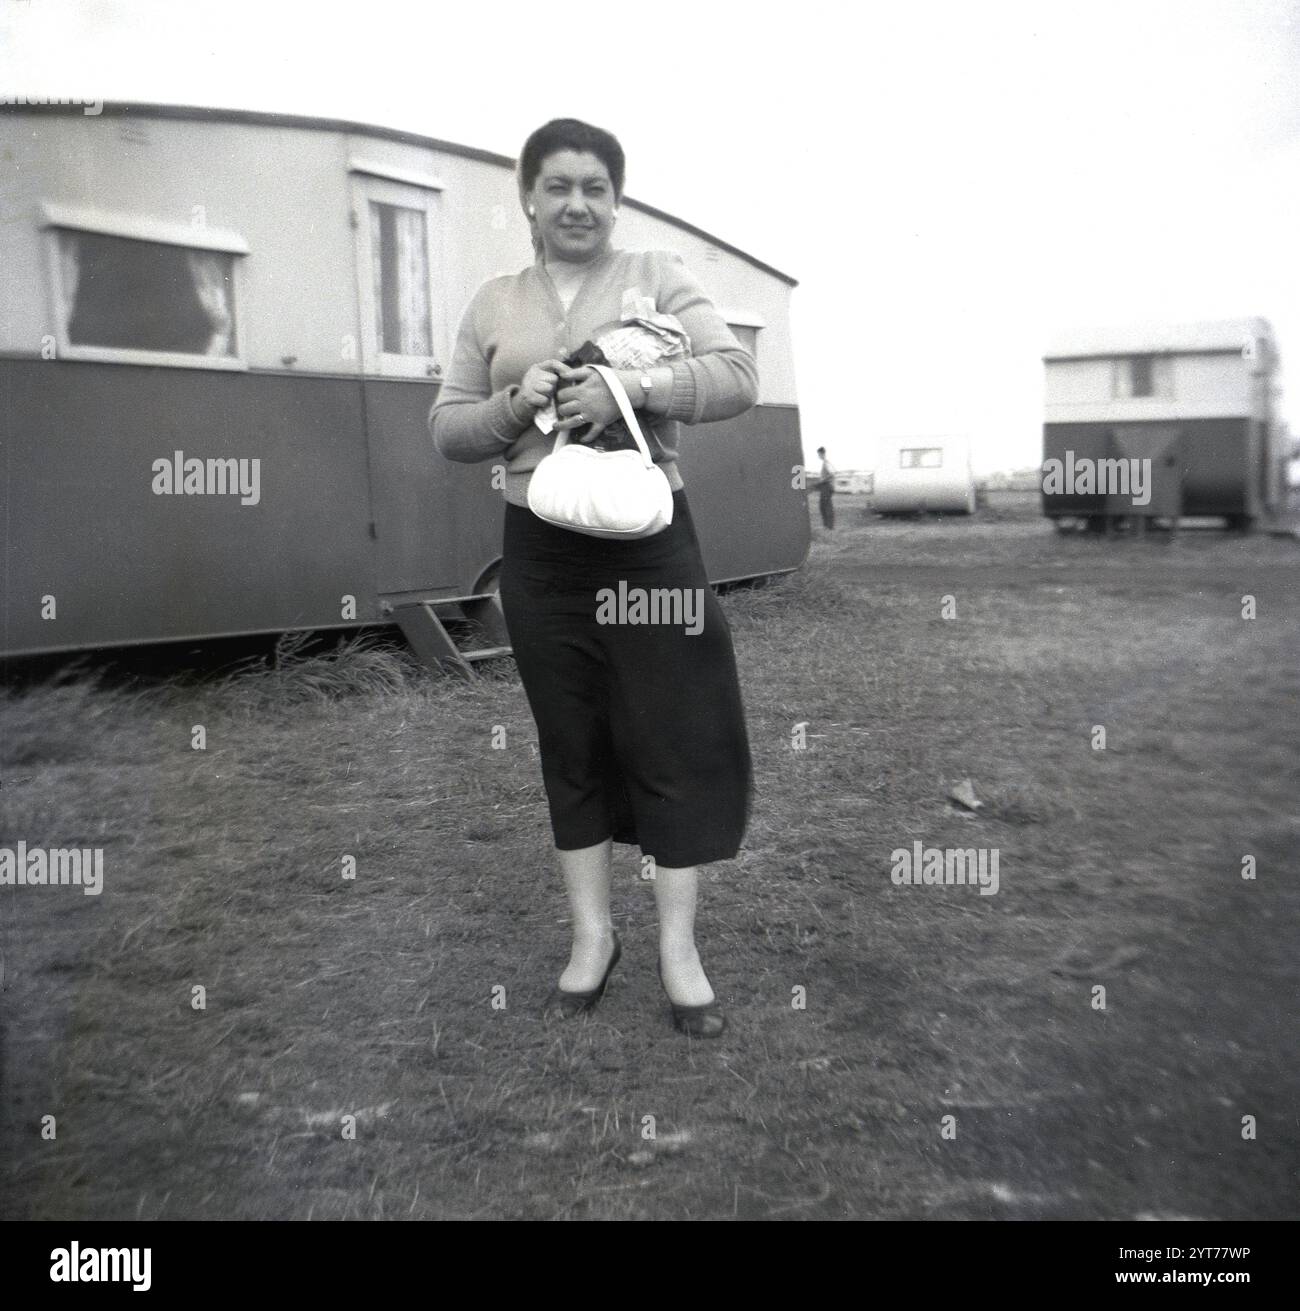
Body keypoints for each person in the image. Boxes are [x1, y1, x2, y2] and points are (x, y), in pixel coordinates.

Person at [429, 118, 758, 1038]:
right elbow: (448, 428)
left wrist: (634, 387)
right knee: (569, 737)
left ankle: (679, 951)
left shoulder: (656, 275)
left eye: (597, 188)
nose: (578, 203)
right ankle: (591, 939)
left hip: (650, 541)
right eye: (559, 185)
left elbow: (737, 375)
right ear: (527, 196)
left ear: (618, 200)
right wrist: (513, 401)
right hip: (541, 549)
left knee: (673, 734)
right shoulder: (494, 302)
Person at [816, 446, 837, 529]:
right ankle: (827, 525)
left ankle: (829, 526)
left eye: (819, 454)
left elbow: (832, 473)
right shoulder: (825, 463)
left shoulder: (826, 463)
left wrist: (823, 480)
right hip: (826, 486)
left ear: (822, 453)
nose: (818, 456)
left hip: (827, 486)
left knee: (826, 506)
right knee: (823, 506)